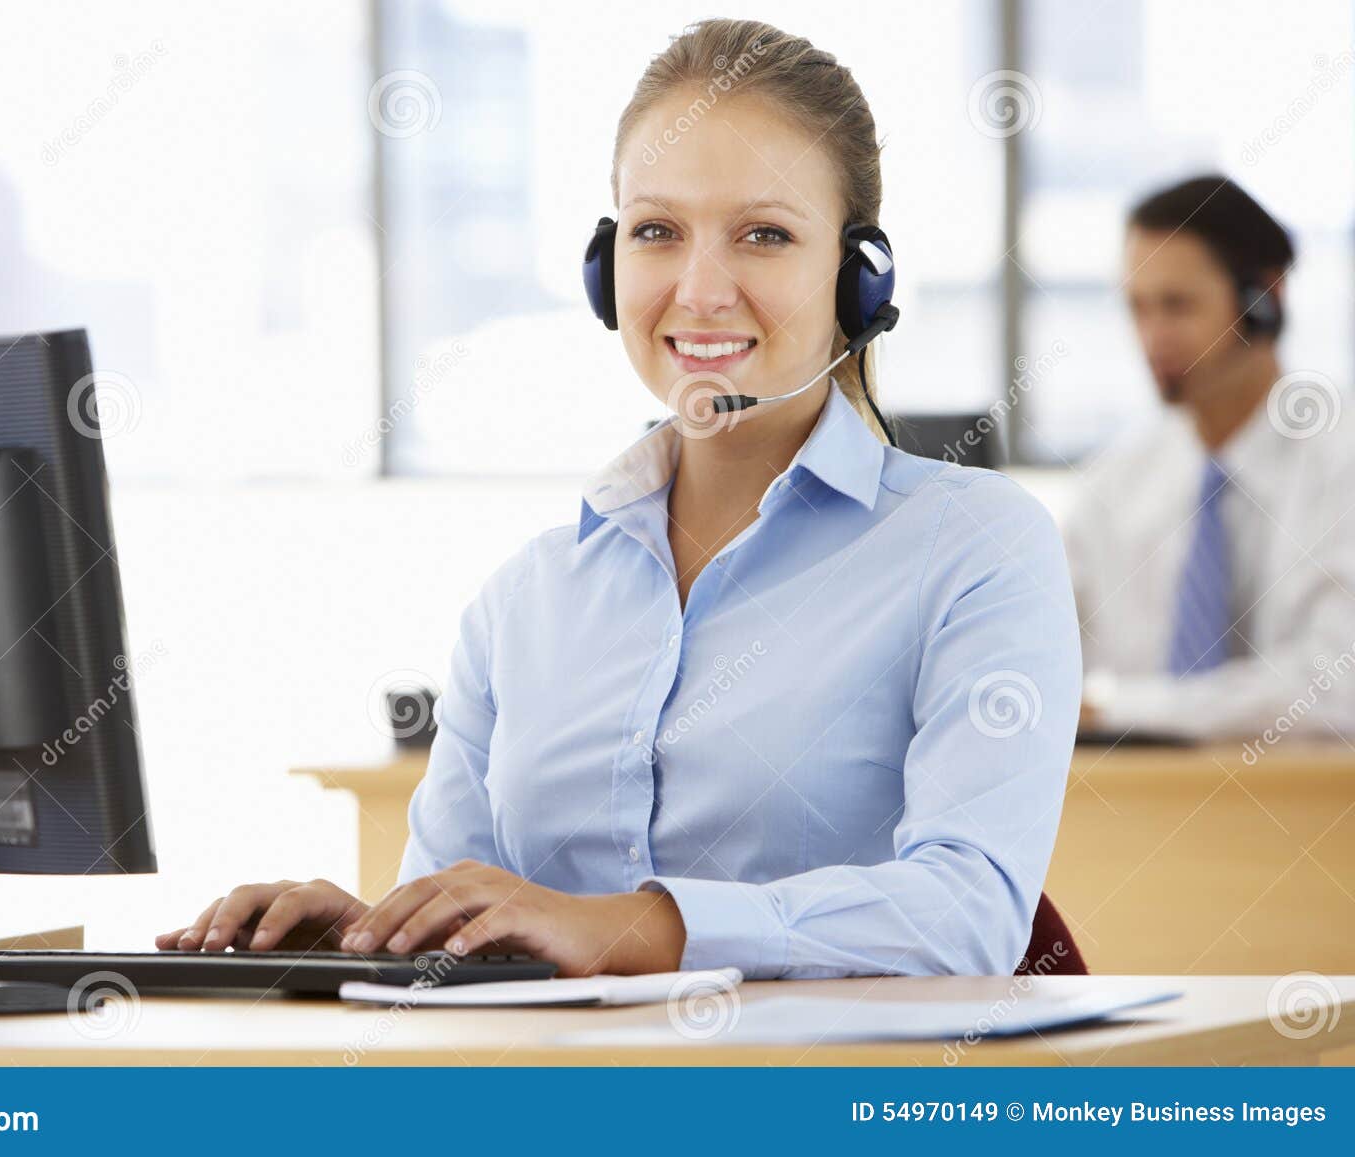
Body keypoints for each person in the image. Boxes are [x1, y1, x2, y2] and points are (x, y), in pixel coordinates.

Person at [156, 18, 1081, 978]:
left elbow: (968, 914)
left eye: (764, 235)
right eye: (656, 232)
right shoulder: (527, 600)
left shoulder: (974, 546)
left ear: (857, 278)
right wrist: (368, 939)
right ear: (606, 270)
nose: (701, 287)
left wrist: (631, 929)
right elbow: (471, 922)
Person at [1068, 175, 1355, 741]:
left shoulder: (1340, 466)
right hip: (1138, 814)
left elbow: (1336, 690)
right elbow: (1039, 652)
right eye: (1137, 308)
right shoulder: (1116, 483)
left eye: (1176, 305)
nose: (1152, 338)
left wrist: (1125, 710)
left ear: (1264, 299)